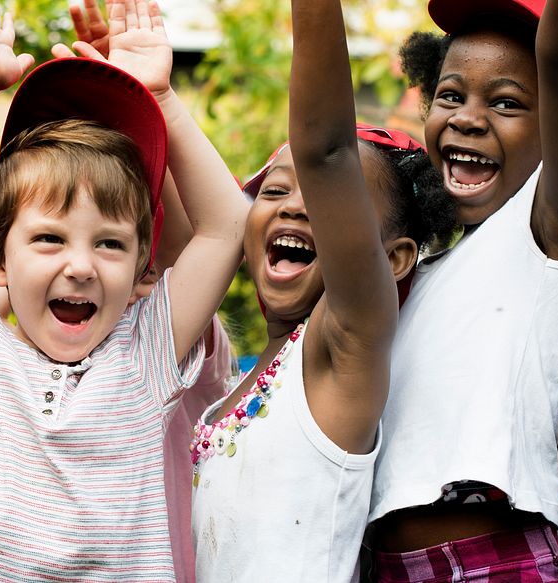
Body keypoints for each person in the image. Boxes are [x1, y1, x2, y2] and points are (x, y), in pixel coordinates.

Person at [0, 0, 248, 579]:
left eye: (109, 244)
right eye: (49, 239)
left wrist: (161, 96)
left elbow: (229, 227)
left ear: (142, 268)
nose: (81, 266)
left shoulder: (145, 355)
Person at [189, 0, 459, 579]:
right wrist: (158, 94)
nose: (294, 205)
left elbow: (327, 151)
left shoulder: (340, 353)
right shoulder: (236, 384)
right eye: (274, 191)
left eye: (325, 198)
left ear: (393, 260)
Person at [369, 0, 558, 579]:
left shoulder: (549, 235)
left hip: (495, 564)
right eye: (450, 95)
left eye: (506, 102)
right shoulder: (417, 268)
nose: (466, 118)